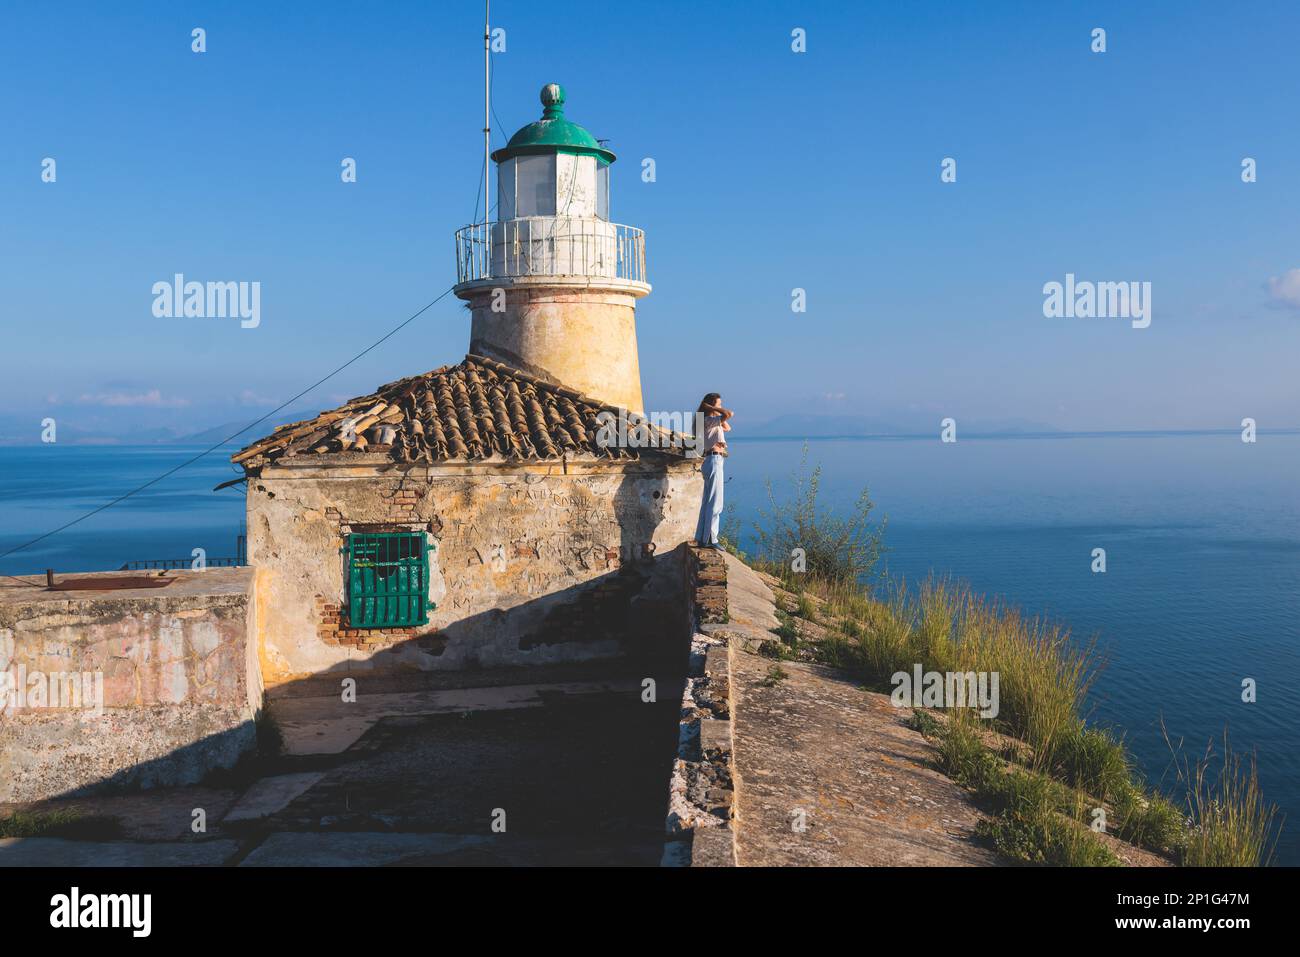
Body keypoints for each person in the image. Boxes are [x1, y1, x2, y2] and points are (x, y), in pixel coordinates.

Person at [693, 393, 733, 549]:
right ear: (710, 405)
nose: (720, 407)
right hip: (714, 460)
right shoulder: (708, 420)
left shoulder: (711, 421)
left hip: (712, 460)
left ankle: (702, 537)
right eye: (718, 404)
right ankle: (711, 539)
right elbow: (728, 414)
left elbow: (728, 427)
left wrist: (716, 412)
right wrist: (713, 409)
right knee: (716, 503)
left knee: (707, 502)